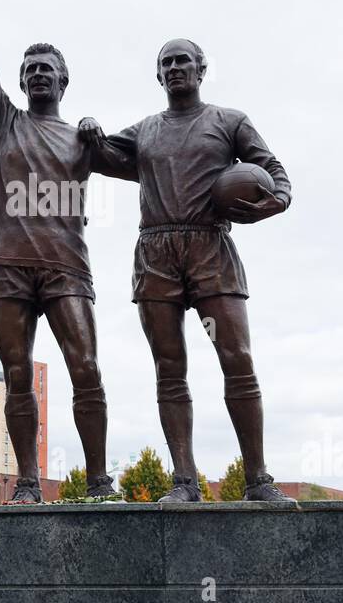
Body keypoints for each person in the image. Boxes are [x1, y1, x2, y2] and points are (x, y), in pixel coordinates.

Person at [79, 39, 292, 501]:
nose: (175, 68)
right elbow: (94, 155)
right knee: (169, 368)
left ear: (201, 68)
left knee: (237, 360)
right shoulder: (145, 131)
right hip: (156, 252)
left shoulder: (229, 120)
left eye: (183, 61)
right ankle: (184, 480)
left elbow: (275, 173)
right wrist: (89, 127)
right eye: (166, 63)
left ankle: (257, 479)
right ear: (158, 75)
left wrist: (273, 203)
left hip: (210, 246)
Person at [0, 0, 125, 501]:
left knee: (86, 369)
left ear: (64, 80)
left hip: (66, 266)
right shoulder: (6, 120)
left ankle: (98, 481)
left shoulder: (82, 138)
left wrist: (101, 132)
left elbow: (150, 163)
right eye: (29, 70)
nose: (37, 75)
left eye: (46, 68)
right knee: (16, 376)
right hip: (8, 267)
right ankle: (27, 482)